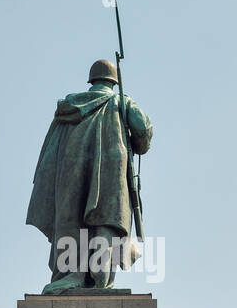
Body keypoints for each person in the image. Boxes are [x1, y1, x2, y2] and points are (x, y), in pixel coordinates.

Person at [25, 59, 153, 293]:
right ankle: (101, 279)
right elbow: (143, 132)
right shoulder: (120, 102)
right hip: (112, 174)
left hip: (69, 174)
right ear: (114, 82)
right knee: (106, 219)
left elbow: (48, 155)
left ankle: (70, 274)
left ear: (92, 81)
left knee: (71, 218)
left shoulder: (70, 108)